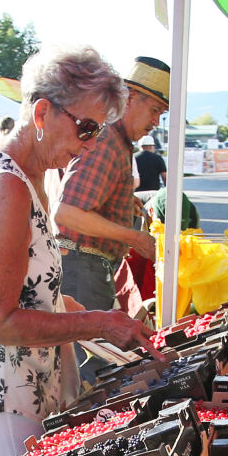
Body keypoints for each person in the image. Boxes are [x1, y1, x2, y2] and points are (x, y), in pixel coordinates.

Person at [0, 46, 161, 456]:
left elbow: (26, 286)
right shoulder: (8, 188)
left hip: (19, 382)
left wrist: (70, 308)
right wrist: (95, 323)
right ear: (42, 112)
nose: (89, 143)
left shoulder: (27, 170)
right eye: (87, 127)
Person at [53, 57, 169, 315]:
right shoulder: (107, 141)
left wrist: (124, 201)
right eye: (155, 110)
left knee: (96, 351)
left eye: (161, 114)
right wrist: (135, 238)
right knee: (93, 353)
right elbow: (67, 213)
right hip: (81, 267)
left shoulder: (118, 140)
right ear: (129, 99)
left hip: (88, 265)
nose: (156, 122)